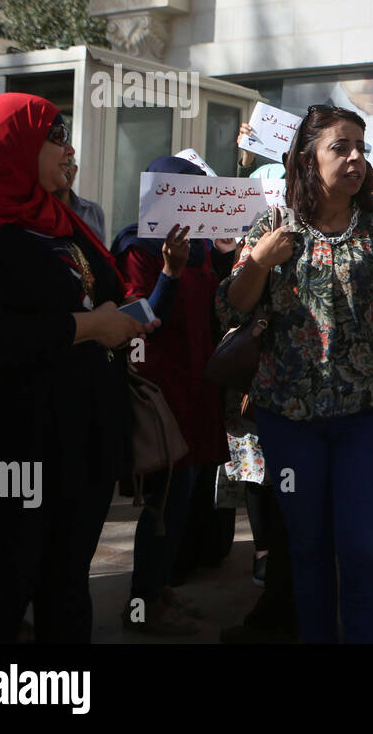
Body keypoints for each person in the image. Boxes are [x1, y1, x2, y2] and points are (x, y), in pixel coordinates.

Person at [0, 93, 156, 643]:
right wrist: (88, 329)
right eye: (55, 137)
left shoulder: (59, 220)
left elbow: (96, 295)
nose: (70, 149)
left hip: (80, 443)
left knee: (66, 588)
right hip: (8, 447)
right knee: (2, 594)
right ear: (11, 147)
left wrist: (125, 320)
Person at [216, 104, 373, 644]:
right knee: (304, 550)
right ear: (308, 158)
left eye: (360, 147)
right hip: (289, 419)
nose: (356, 158)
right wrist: (258, 261)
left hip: (363, 419)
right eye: (340, 148)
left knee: (362, 548)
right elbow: (231, 310)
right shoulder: (272, 227)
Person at [112, 156, 231, 635]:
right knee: (161, 504)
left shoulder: (203, 245)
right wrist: (169, 272)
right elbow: (140, 317)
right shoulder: (136, 245)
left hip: (198, 386)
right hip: (163, 391)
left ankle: (159, 590)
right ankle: (140, 603)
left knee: (183, 498)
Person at [52, 155, 107, 243]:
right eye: (60, 164)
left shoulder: (93, 211)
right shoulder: (36, 211)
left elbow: (101, 253)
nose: (65, 170)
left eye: (68, 163)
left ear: (75, 170)